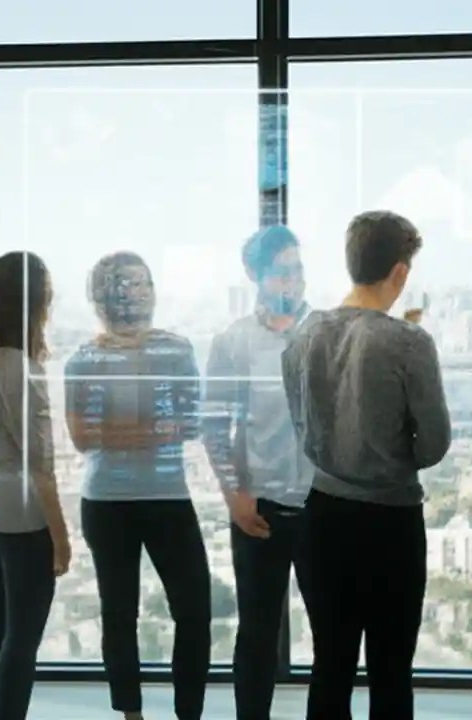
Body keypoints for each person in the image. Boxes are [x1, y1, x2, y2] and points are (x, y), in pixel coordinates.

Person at [281, 210, 451, 720]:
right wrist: (400, 455)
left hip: (322, 517)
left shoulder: (304, 334)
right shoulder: (409, 342)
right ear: (400, 272)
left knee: (329, 663)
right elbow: (435, 444)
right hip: (389, 523)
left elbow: (300, 419)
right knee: (390, 669)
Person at [64, 251, 211, 720]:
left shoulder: (176, 350)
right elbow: (82, 438)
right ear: (104, 296)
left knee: (194, 611)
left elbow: (189, 425)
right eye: (126, 285)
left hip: (167, 496)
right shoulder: (84, 359)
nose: (138, 292)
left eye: (144, 282)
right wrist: (150, 431)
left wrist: (121, 432)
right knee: (119, 613)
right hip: (107, 501)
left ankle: (188, 712)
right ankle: (130, 714)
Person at [203, 226, 315, 720]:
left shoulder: (324, 332)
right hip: (259, 508)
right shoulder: (234, 342)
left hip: (321, 505)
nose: (294, 281)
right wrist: (234, 497)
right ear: (255, 276)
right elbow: (213, 425)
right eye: (282, 272)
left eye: (299, 269)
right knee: (257, 633)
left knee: (333, 632)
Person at [0, 250, 72, 720]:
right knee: (20, 642)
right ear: (36, 302)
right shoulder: (18, 366)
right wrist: (61, 539)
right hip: (17, 517)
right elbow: (40, 465)